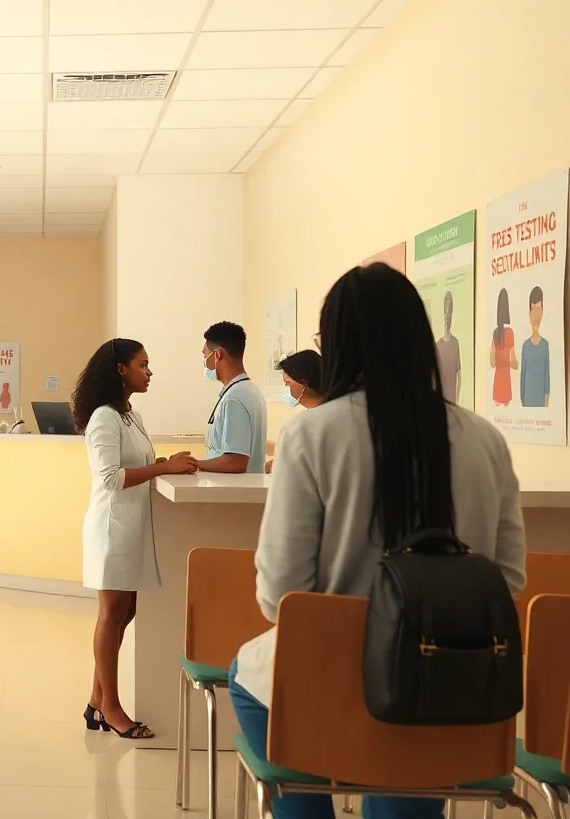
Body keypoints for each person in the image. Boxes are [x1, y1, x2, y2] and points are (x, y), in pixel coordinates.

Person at [230, 263, 526, 819]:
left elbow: (279, 597)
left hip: (326, 697)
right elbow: (506, 581)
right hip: (444, 692)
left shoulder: (311, 436)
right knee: (407, 758)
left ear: (337, 347)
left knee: (247, 676)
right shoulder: (485, 441)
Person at [73, 338, 199, 739]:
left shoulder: (131, 416)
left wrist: (164, 464)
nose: (149, 372)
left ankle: (96, 701)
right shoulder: (104, 418)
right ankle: (111, 707)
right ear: (121, 370)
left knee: (124, 615)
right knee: (111, 616)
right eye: (143, 365)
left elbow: (139, 464)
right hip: (112, 529)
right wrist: (165, 469)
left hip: (133, 528)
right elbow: (110, 477)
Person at [199, 322, 268, 474]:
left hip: (234, 493)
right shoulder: (247, 390)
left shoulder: (235, 398)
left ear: (218, 355)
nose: (204, 362)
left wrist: (194, 464)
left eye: (205, 355)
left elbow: (235, 462)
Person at [265, 349, 324, 474]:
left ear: (304, 384)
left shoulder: (308, 423)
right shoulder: (312, 418)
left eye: (288, 383)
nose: (286, 389)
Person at [520, 286, 550, 408]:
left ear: (543, 312)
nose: (535, 315)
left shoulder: (545, 345)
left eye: (539, 309)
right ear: (528, 313)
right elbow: (523, 377)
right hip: (527, 401)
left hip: (541, 403)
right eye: (532, 309)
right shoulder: (525, 346)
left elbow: (546, 377)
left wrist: (546, 404)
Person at [490, 288, 517, 406]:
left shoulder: (495, 333)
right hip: (506, 380)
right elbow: (513, 362)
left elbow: (492, 363)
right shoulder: (510, 332)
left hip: (498, 380)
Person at [436, 291, 461, 405]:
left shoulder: (455, 343)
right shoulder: (438, 345)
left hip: (452, 402)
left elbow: (459, 375)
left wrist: (456, 401)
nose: (447, 318)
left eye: (449, 313)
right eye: (445, 313)